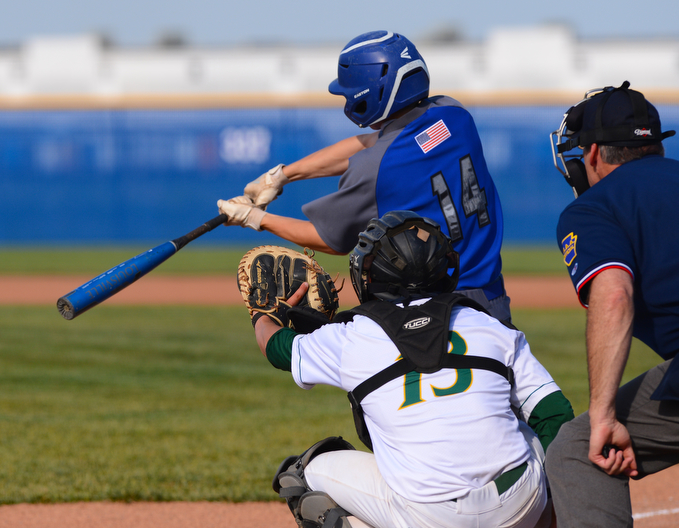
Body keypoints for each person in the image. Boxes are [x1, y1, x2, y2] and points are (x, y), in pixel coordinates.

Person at [251, 210, 573, 528]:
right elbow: (556, 413)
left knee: (303, 475)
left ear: (370, 275)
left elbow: (278, 349)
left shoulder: (349, 337)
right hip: (520, 505)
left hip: (430, 517)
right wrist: (554, 502)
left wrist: (263, 316)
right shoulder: (489, 325)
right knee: (530, 429)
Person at [218, 30, 512, 322]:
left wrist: (254, 218)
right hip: (492, 299)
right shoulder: (453, 113)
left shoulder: (375, 168)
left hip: (431, 312)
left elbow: (328, 239)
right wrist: (280, 176)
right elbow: (376, 143)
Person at [545, 81, 679, 527]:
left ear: (594, 153)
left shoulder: (594, 207)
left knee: (577, 451)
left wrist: (603, 415)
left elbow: (614, 294)